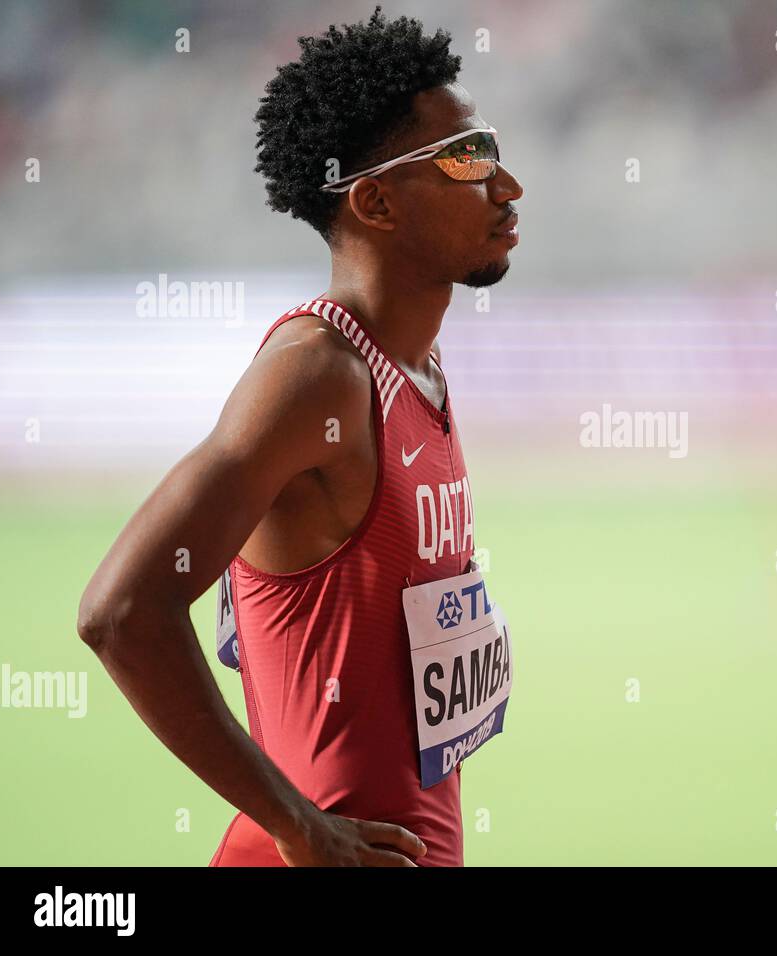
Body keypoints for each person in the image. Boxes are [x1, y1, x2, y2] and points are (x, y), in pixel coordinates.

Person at [76, 7, 523, 867]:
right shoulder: (318, 373)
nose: (506, 186)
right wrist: (301, 826)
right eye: (469, 159)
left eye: (494, 153)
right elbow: (122, 610)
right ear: (376, 200)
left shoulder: (416, 367)